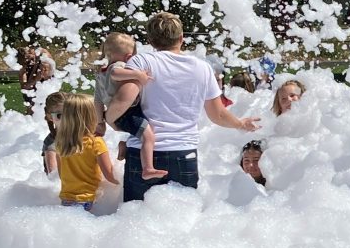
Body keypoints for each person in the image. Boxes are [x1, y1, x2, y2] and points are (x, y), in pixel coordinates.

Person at [107, 11, 260, 202]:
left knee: (136, 219)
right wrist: (240, 124)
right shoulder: (202, 68)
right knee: (183, 222)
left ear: (151, 41)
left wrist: (109, 119)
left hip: (142, 154)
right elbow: (218, 115)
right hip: (183, 153)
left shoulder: (142, 61)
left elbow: (123, 98)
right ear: (181, 38)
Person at [94, 31, 167, 180]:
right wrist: (138, 75)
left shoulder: (100, 75)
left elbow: (97, 101)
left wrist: (99, 122)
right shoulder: (119, 65)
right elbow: (116, 73)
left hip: (119, 114)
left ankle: (124, 146)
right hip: (128, 112)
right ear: (129, 57)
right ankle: (148, 168)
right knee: (148, 137)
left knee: (138, 132)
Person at [55, 93, 118, 211]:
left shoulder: (60, 143)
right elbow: (110, 175)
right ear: (92, 117)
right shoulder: (96, 143)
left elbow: (61, 174)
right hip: (89, 200)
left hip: (66, 200)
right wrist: (122, 180)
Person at [15, 42, 55, 114]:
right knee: (30, 105)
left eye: (29, 59)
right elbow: (24, 87)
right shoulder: (23, 65)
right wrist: (35, 80)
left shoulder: (43, 55)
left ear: (32, 52)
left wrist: (36, 76)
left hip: (46, 83)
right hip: (35, 82)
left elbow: (48, 76)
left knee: (47, 108)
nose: (29, 62)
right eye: (25, 62)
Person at [41, 91, 66, 176]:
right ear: (50, 117)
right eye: (60, 115)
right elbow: (54, 177)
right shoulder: (51, 144)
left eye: (71, 113)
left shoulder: (81, 135)